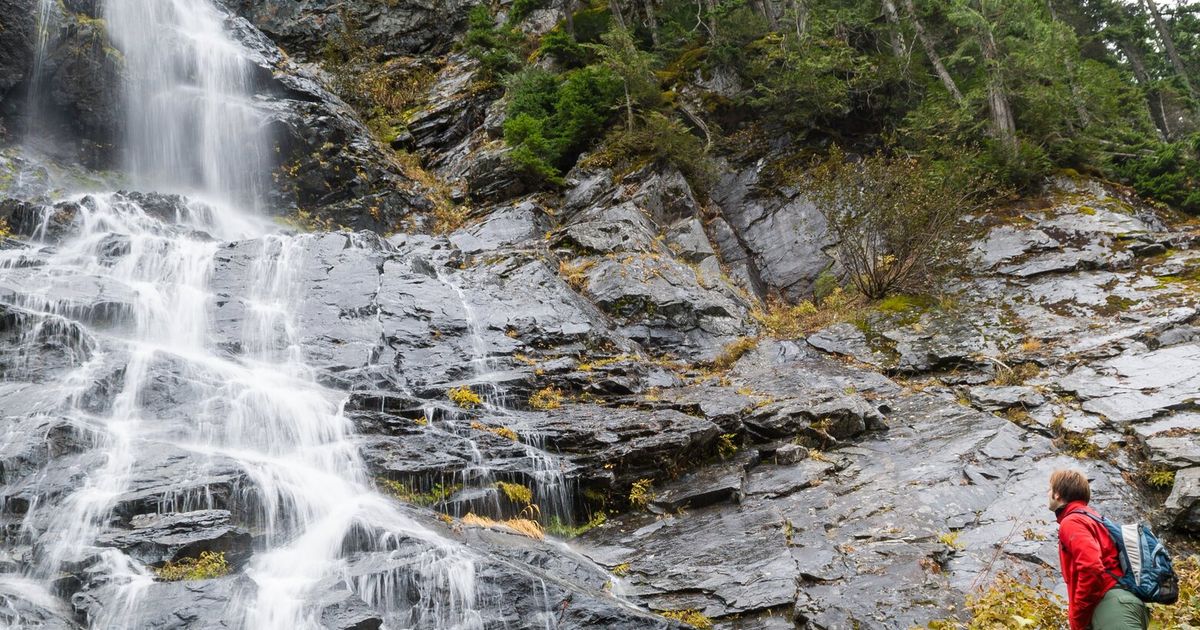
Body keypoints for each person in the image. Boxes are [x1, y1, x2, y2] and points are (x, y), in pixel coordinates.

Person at [1049, 469, 1149, 630]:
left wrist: (1078, 615)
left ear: (1058, 494)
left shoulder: (1072, 521)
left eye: (1050, 489)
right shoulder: (1094, 518)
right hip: (1123, 603)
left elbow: (1091, 567)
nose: (1048, 493)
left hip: (1110, 607)